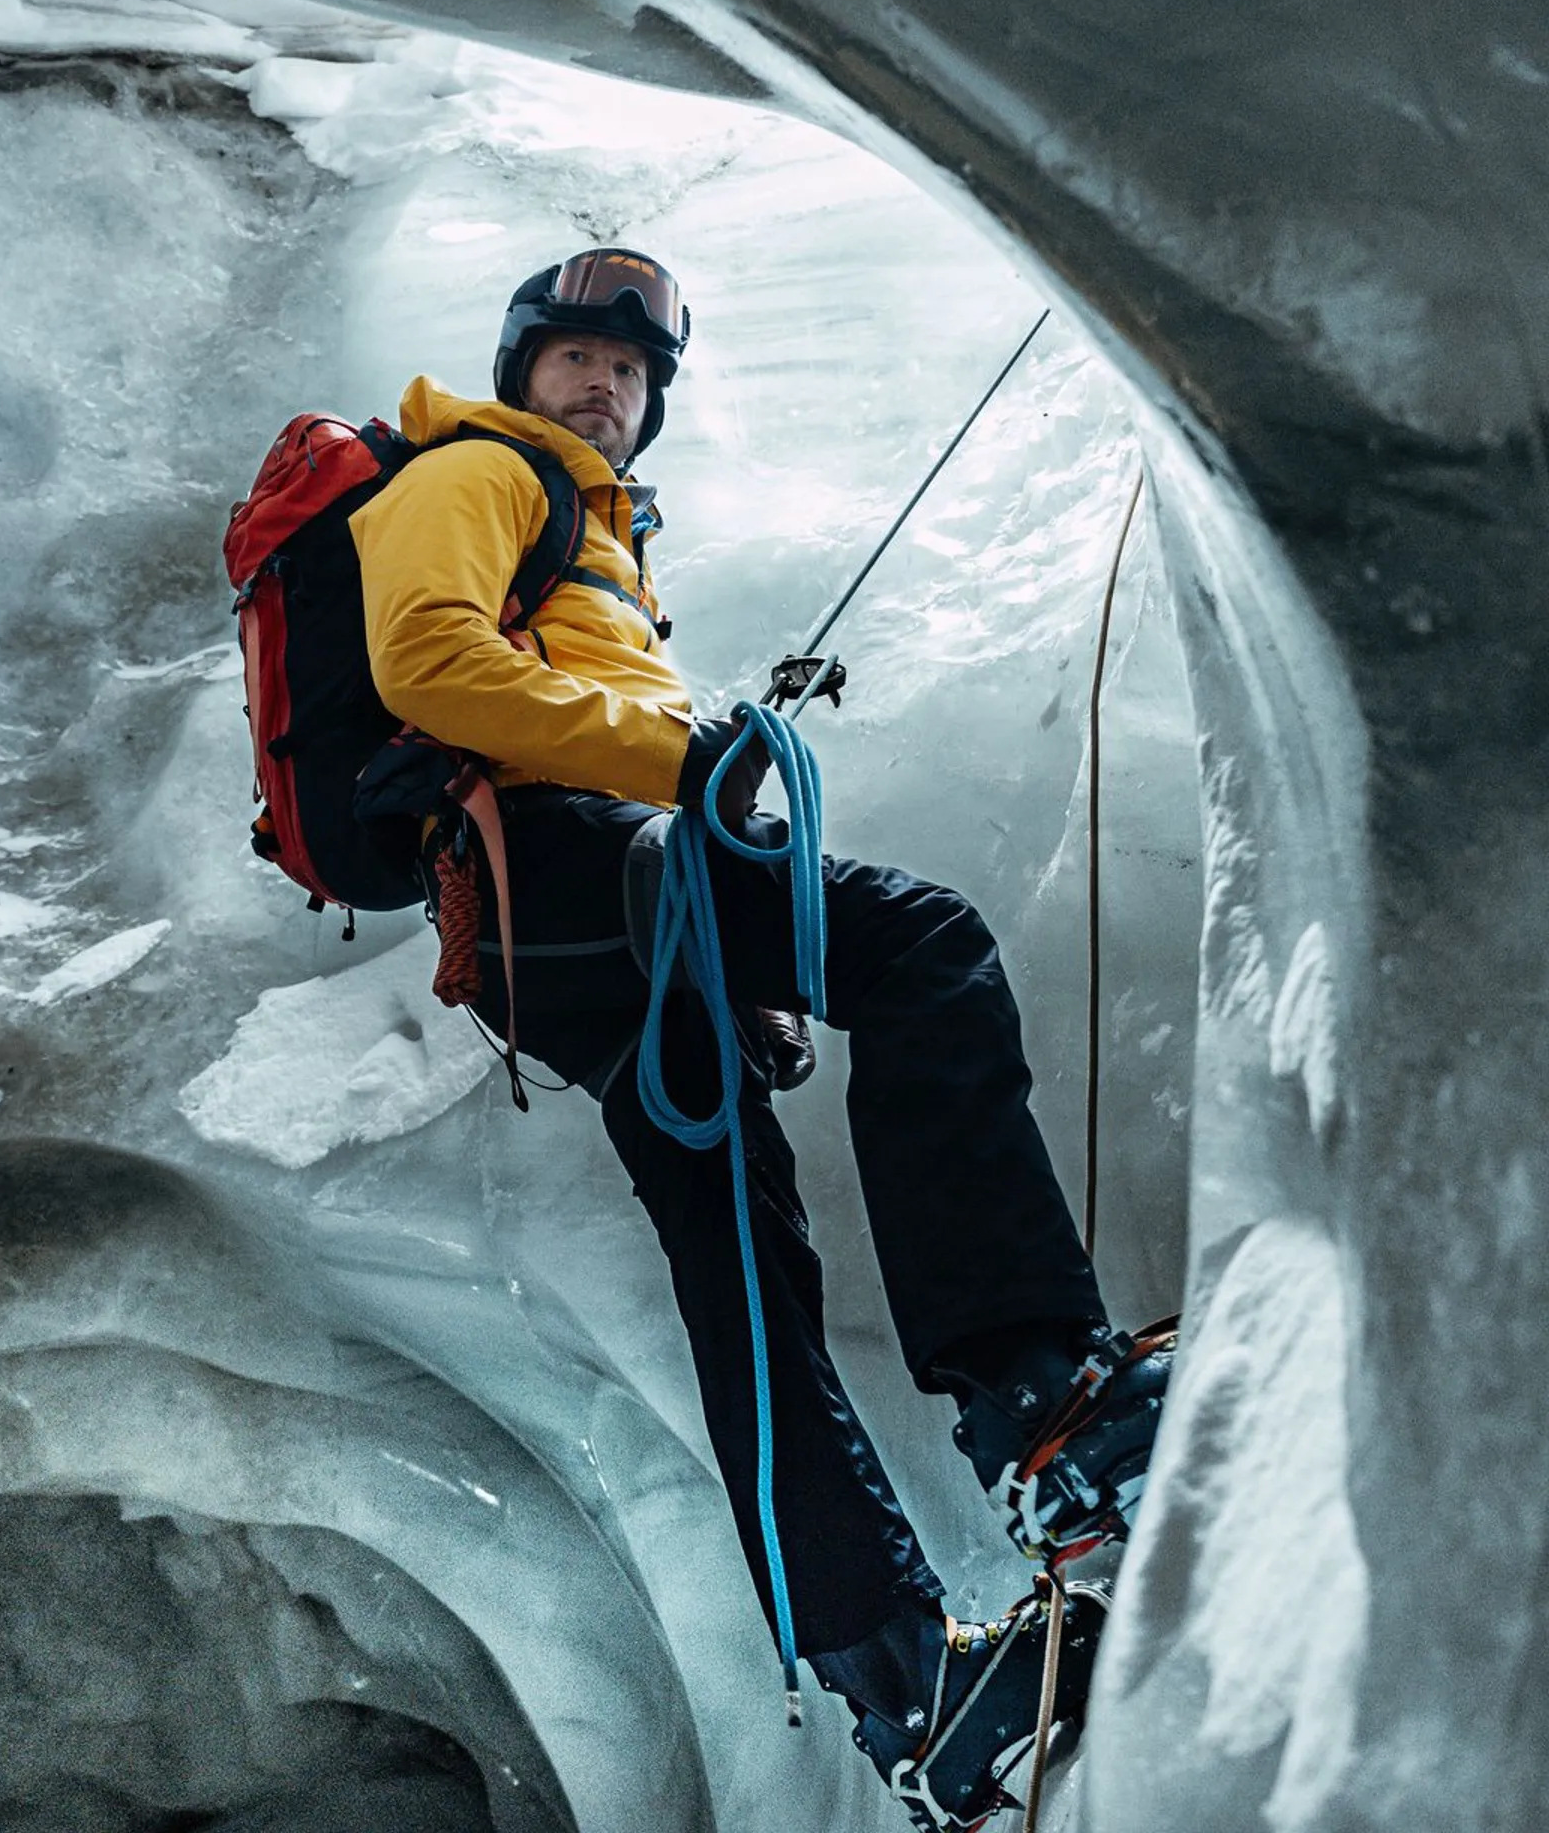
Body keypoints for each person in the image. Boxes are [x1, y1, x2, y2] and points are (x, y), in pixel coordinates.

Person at [350, 247, 1173, 1826]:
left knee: (745, 1274)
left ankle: (907, 1689)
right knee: (925, 948)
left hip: (573, 920)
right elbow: (431, 661)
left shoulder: (593, 534)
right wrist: (684, 753)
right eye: (582, 357)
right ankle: (1041, 1399)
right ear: (521, 366)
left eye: (634, 371)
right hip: (581, 867)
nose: (609, 385)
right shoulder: (474, 470)